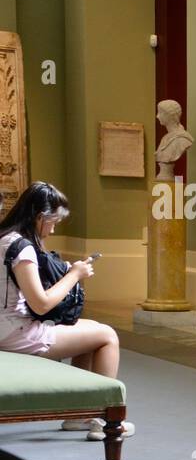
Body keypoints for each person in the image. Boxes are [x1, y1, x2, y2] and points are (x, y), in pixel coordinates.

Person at [0, 181, 133, 441]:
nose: (52, 229)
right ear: (40, 217)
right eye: (53, 222)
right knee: (107, 336)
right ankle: (103, 419)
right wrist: (74, 275)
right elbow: (40, 304)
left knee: (87, 330)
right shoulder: (21, 248)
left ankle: (79, 415)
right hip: (15, 333)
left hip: (4, 327)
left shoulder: (3, 236)